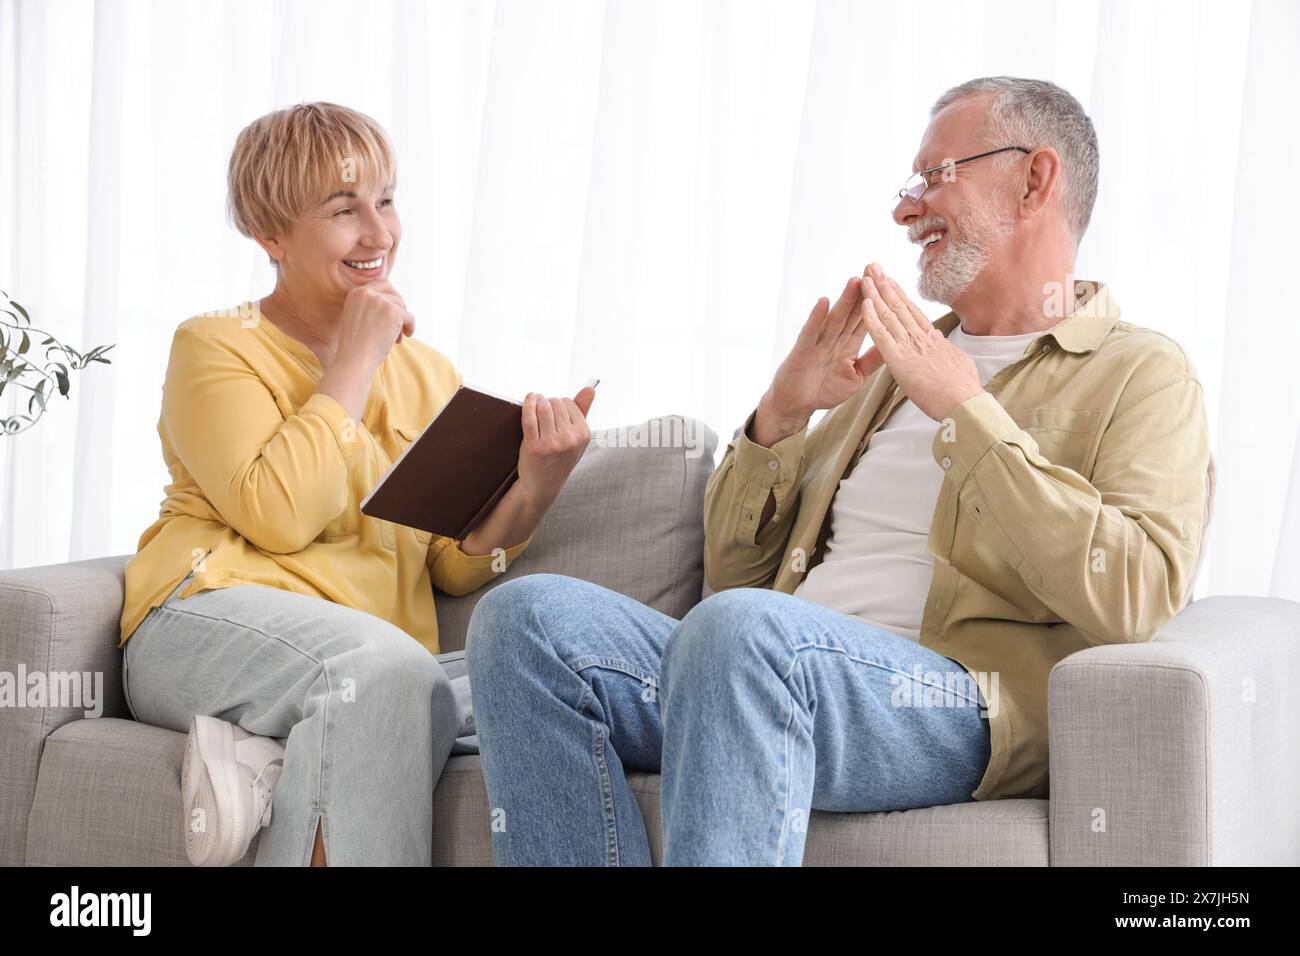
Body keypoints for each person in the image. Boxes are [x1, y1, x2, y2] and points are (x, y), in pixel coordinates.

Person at [465, 76, 1211, 865]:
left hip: (953, 703)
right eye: (908, 183)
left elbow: (1137, 594)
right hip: (760, 668)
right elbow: (731, 578)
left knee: (742, 638)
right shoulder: (890, 371)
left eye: (936, 176)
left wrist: (968, 415)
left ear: (1035, 180)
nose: (904, 209)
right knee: (525, 622)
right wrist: (781, 418)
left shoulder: (1142, 373)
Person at [118, 101, 594, 866]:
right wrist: (356, 359)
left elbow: (450, 560)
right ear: (269, 235)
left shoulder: (428, 372)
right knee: (385, 674)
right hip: (204, 618)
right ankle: (295, 728)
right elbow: (277, 515)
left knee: (545, 678)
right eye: (344, 210)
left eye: (386, 200)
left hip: (376, 666)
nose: (379, 234)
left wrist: (534, 487)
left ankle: (279, 754)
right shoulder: (214, 345)